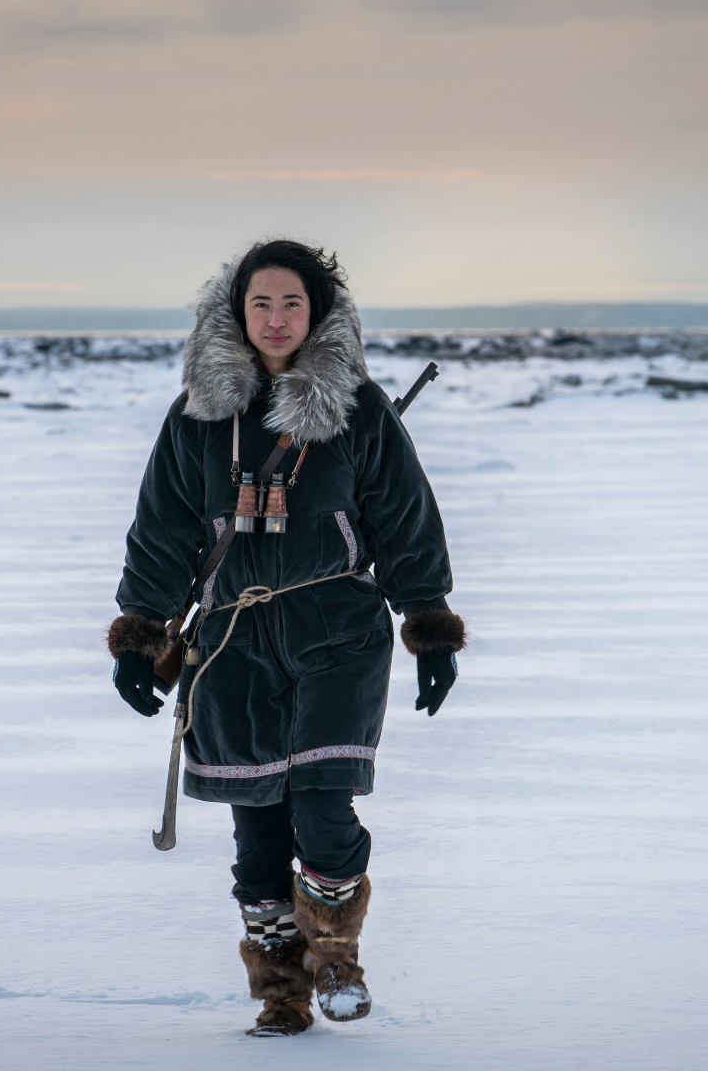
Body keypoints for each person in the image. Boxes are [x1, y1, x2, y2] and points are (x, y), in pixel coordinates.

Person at [107, 240, 465, 1037]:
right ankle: (280, 989)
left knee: (323, 803)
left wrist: (429, 626)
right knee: (257, 825)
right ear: (236, 312)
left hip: (337, 629)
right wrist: (139, 636)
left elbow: (406, 521)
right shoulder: (197, 418)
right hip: (231, 642)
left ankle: (335, 955)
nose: (275, 319)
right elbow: (163, 533)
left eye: (292, 304)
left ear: (319, 314)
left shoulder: (362, 410)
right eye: (261, 304)